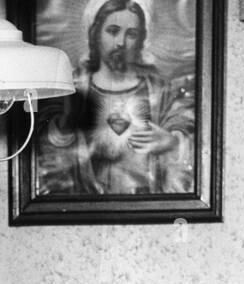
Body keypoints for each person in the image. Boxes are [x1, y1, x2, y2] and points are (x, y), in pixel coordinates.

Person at [40, 0, 194, 196]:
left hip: (147, 208)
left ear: (141, 39)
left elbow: (194, 143)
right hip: (85, 209)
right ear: (95, 34)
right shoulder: (69, 88)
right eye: (113, 31)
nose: (121, 42)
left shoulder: (161, 92)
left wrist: (172, 142)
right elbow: (46, 151)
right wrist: (64, 131)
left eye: (131, 34)